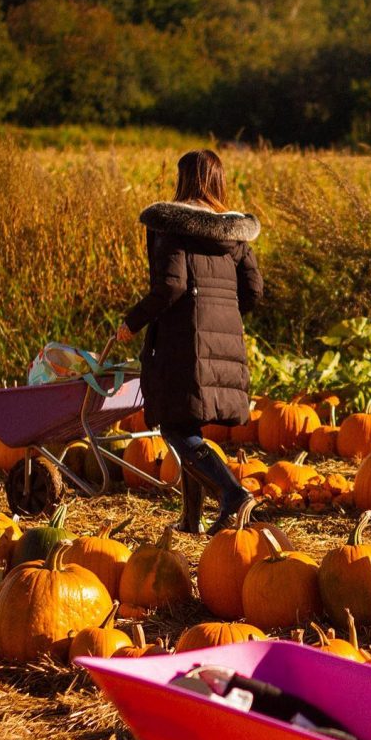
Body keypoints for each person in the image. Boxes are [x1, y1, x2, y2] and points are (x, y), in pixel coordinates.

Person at [117, 149, 263, 535]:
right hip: (223, 339)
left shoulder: (173, 225)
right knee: (189, 428)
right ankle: (190, 520)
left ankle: (233, 496)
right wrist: (226, 317)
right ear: (218, 181)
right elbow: (254, 288)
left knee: (175, 429)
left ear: (184, 180)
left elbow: (171, 285)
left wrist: (132, 322)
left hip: (182, 340)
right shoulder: (234, 232)